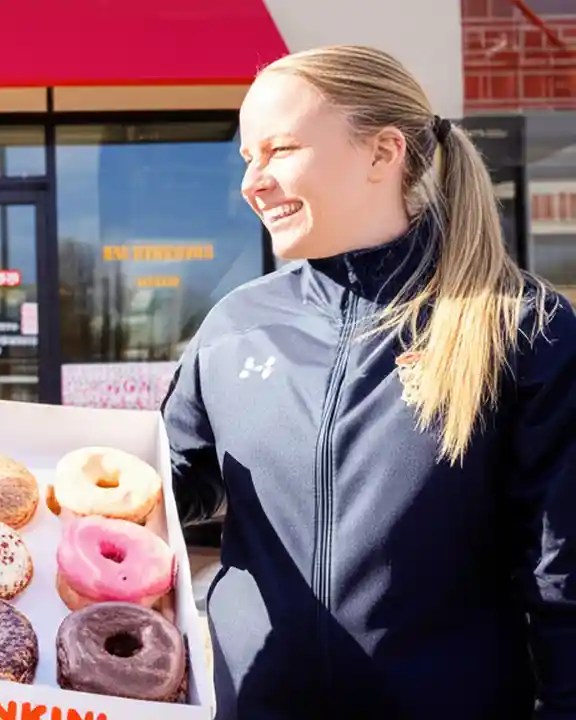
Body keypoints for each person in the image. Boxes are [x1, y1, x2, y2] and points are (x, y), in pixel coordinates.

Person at [163, 45, 576, 719]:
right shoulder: (237, 325)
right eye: (247, 158)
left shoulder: (522, 328)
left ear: (383, 154)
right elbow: (175, 482)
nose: (252, 182)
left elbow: (562, 575)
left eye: (280, 149)